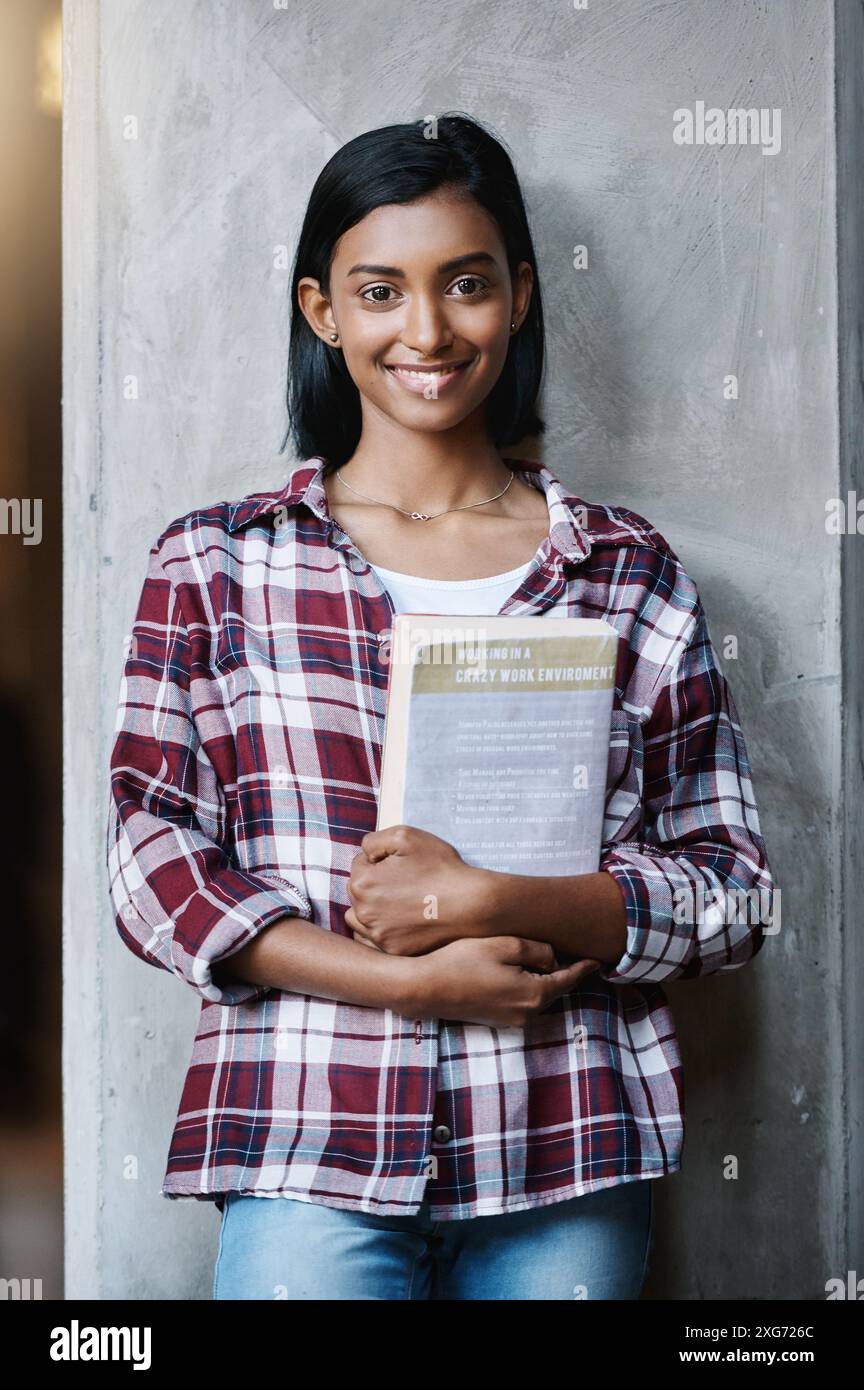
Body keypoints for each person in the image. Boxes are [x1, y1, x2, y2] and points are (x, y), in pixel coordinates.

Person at [106, 113, 775, 1301]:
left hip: (565, 1153)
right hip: (306, 1143)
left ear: (519, 294)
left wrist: (507, 902)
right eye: (380, 290)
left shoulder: (623, 571)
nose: (426, 331)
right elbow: (150, 863)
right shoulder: (217, 564)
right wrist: (407, 980)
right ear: (322, 310)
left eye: (465, 284)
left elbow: (732, 893)